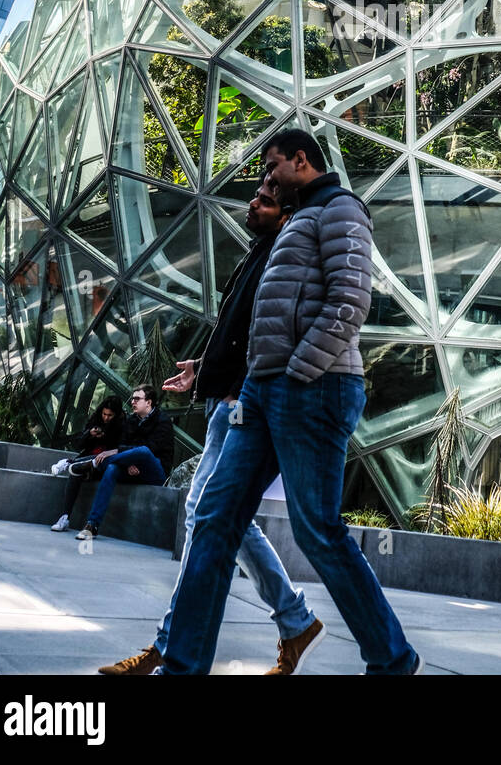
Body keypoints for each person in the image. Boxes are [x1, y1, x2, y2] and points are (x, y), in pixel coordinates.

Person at [156, 129, 421, 676]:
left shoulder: (340, 208)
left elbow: (350, 300)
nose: (267, 177)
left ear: (301, 160)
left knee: (317, 529)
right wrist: (233, 373)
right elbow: (271, 313)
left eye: (273, 165)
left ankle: (392, 659)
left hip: (314, 387)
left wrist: (299, 373)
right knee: (213, 516)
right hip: (260, 389)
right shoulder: (297, 218)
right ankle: (181, 664)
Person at [98, 176, 323, 678]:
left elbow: (279, 337)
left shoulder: (282, 257)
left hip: (243, 402)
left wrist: (239, 382)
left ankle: (174, 649)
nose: (252, 204)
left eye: (264, 200)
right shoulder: (259, 254)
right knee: (213, 515)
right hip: (228, 397)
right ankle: (292, 620)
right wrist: (205, 366)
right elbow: (241, 334)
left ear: (285, 211)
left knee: (210, 514)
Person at [74, 385, 174, 541]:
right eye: (132, 398)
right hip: (131, 468)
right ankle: (92, 525)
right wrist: (127, 463)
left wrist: (118, 453)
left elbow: (152, 448)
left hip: (155, 472)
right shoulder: (131, 420)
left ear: (149, 402)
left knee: (144, 451)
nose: (133, 402)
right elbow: (124, 444)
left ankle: (95, 464)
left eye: (137, 399)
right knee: (112, 468)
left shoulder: (163, 421)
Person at [50, 396, 124, 533]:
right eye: (104, 414)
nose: (106, 418)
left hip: (104, 464)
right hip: (87, 460)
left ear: (117, 415)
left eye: (110, 415)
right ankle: (65, 517)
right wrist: (90, 434)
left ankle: (67, 463)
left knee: (76, 467)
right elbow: (79, 444)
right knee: (75, 473)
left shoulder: (123, 425)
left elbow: (119, 448)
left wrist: (105, 436)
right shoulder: (95, 419)